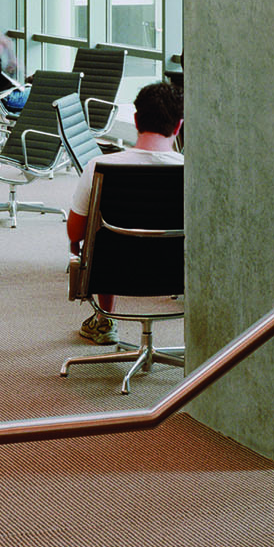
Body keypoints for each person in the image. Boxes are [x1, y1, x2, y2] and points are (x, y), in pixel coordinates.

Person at [66, 75, 182, 345]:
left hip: (113, 271)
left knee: (101, 238)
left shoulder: (98, 167)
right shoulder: (193, 170)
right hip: (177, 275)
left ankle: (105, 319)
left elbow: (75, 232)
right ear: (178, 126)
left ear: (137, 121)